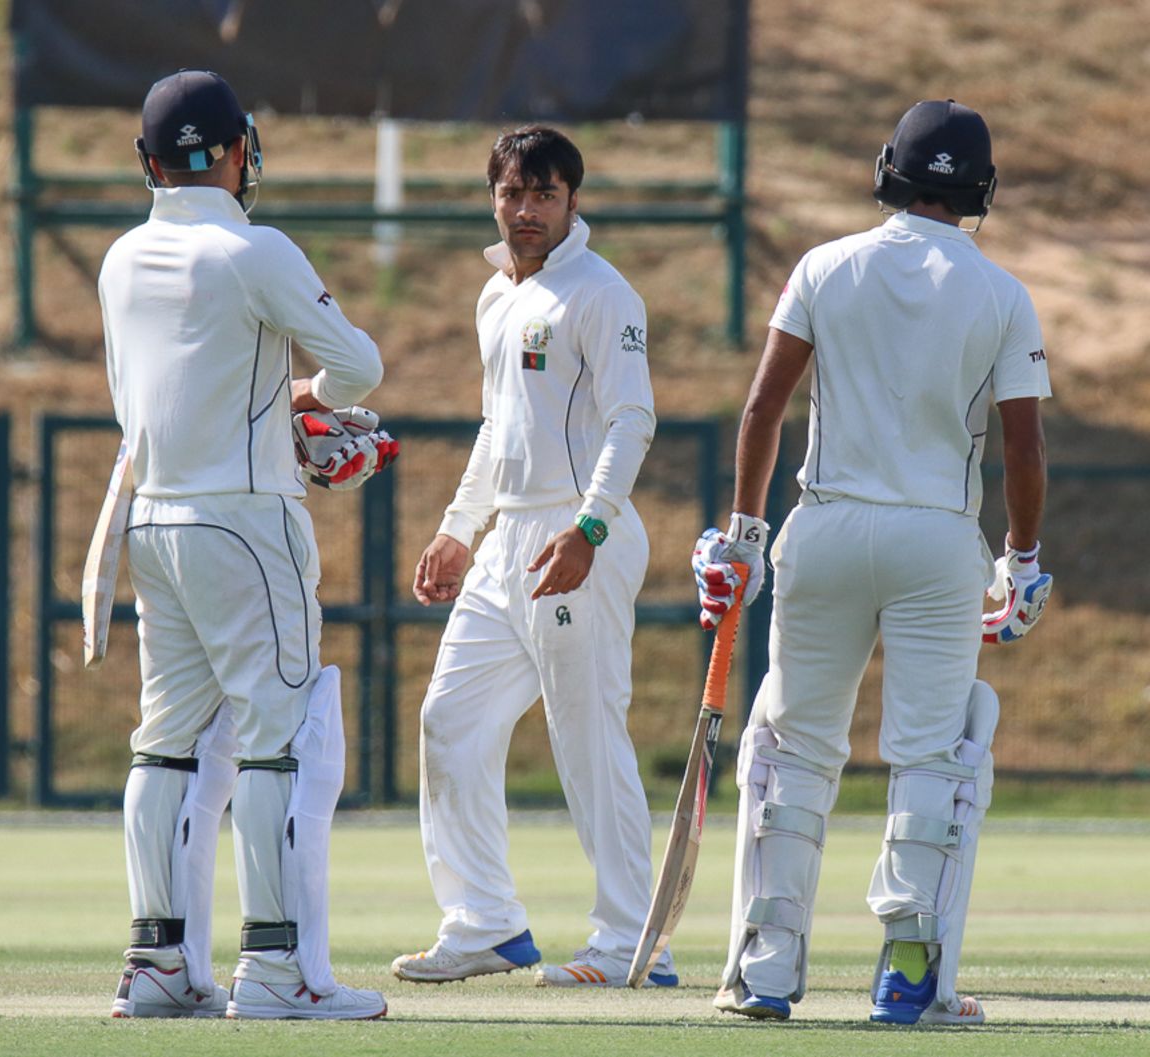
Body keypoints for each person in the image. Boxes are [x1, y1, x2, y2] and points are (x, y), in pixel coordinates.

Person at [692, 100, 1052, 1025]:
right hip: (937, 539)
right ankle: (907, 977)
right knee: (932, 755)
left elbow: (763, 411)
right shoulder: (1003, 293)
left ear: (888, 168)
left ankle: (767, 970)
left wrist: (740, 529)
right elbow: (1022, 451)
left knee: (793, 745)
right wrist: (1022, 559)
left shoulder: (825, 264)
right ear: (979, 189)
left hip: (827, 526)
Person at [100, 69, 390, 1020]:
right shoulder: (254, 248)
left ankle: (157, 962)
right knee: (277, 742)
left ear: (148, 163)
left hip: (154, 517)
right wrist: (301, 406)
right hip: (246, 522)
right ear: (239, 151)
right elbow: (358, 365)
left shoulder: (118, 259)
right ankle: (275, 969)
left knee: (164, 743)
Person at [389, 126, 676, 988]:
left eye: (544, 195)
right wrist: (456, 527)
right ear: (494, 198)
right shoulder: (495, 296)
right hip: (507, 539)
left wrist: (589, 530)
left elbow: (633, 420)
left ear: (572, 201)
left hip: (578, 536)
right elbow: (496, 427)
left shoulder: (602, 293)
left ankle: (632, 940)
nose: (526, 211)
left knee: (586, 735)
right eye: (513, 194)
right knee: (451, 722)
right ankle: (483, 921)